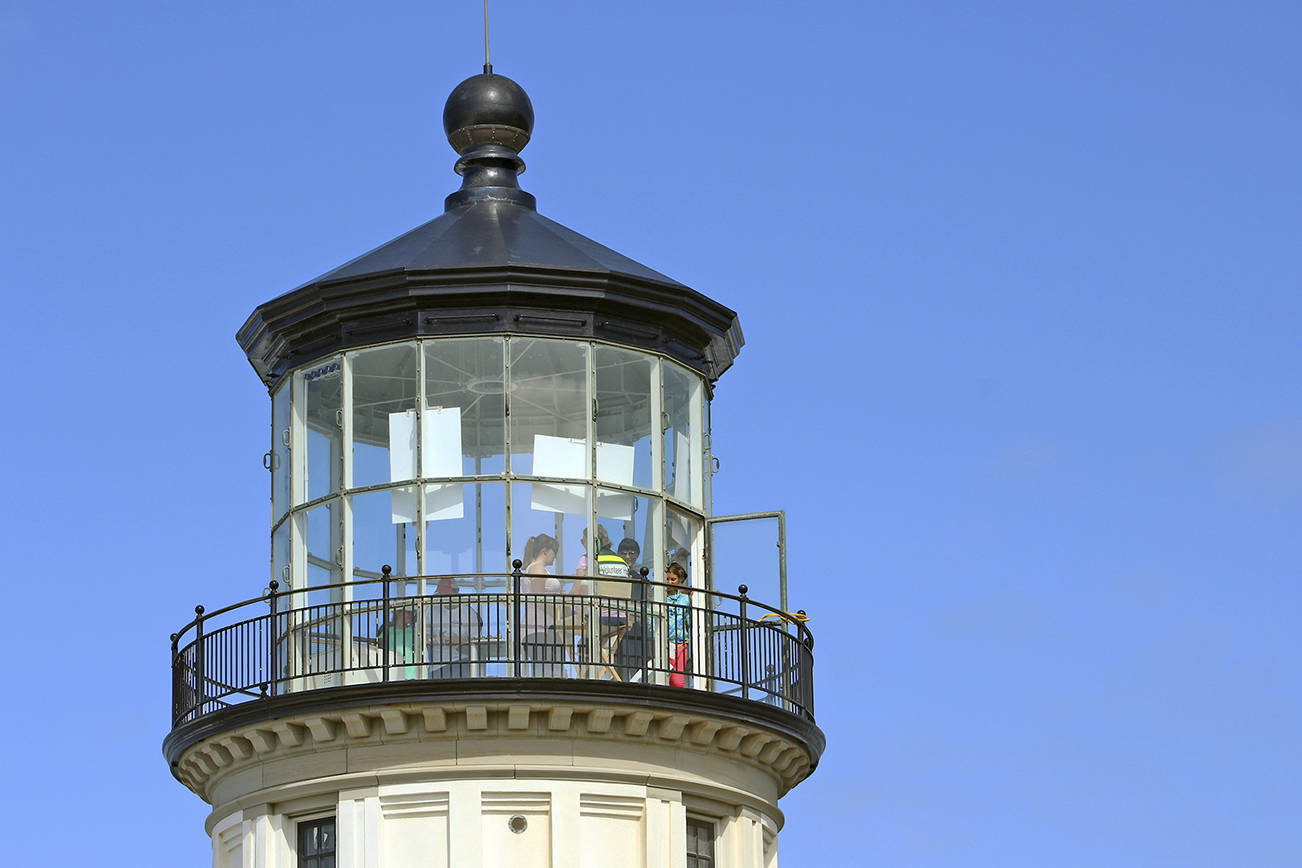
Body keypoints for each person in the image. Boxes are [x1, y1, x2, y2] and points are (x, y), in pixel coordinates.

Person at [520, 533, 564, 677]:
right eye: (554, 552)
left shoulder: (536, 568)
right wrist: (557, 615)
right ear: (545, 550)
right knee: (545, 671)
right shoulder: (537, 568)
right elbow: (539, 597)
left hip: (542, 629)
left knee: (549, 671)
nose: (555, 556)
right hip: (539, 628)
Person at [427, 577, 477, 678]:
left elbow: (476, 641)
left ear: (456, 591)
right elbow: (425, 634)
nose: (443, 596)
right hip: (436, 666)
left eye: (446, 592)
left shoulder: (468, 612)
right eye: (441, 593)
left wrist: (458, 641)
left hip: (461, 664)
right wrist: (428, 639)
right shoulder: (431, 610)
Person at [665, 562, 692, 687]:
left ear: (679, 580)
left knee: (677, 680)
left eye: (673, 579)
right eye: (667, 579)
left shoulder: (685, 599)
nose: (669, 582)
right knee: (666, 677)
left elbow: (689, 620)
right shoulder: (660, 597)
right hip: (664, 643)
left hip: (681, 643)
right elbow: (651, 620)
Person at [378, 604, 418, 680]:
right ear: (398, 612)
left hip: (413, 675)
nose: (411, 614)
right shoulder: (387, 632)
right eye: (408, 611)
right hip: (393, 675)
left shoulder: (415, 631)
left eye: (412, 612)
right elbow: (379, 650)